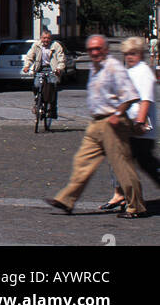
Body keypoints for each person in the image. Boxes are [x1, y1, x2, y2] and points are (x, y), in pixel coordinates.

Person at [45, 35, 146, 218]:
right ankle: (66, 200)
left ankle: (135, 207)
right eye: (91, 49)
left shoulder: (114, 67)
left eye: (98, 49)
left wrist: (117, 114)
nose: (94, 52)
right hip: (96, 123)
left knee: (122, 167)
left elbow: (131, 96)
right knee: (82, 161)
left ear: (106, 49)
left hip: (113, 123)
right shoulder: (94, 68)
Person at [100, 36, 160, 210]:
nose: (129, 57)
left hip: (139, 129)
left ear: (141, 53)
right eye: (126, 54)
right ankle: (120, 194)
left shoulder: (143, 71)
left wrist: (140, 122)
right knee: (124, 160)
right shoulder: (131, 70)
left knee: (142, 163)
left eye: (133, 53)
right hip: (128, 127)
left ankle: (123, 196)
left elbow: (146, 100)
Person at [23, 30, 66, 119]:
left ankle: (52, 109)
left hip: (52, 69)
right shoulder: (36, 45)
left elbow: (61, 59)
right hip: (40, 68)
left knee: (53, 86)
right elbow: (30, 56)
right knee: (36, 85)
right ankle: (37, 103)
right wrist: (27, 66)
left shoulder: (56, 46)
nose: (46, 40)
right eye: (44, 38)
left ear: (51, 39)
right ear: (41, 38)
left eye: (48, 38)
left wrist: (59, 68)